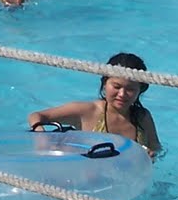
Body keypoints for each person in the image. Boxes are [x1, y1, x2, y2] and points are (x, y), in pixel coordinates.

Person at [29, 51, 161, 156]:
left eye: (130, 89)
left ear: (140, 90)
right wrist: (42, 138)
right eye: (116, 86)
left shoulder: (142, 117)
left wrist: (150, 155)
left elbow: (157, 150)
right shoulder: (88, 112)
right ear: (105, 83)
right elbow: (36, 116)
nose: (122, 94)